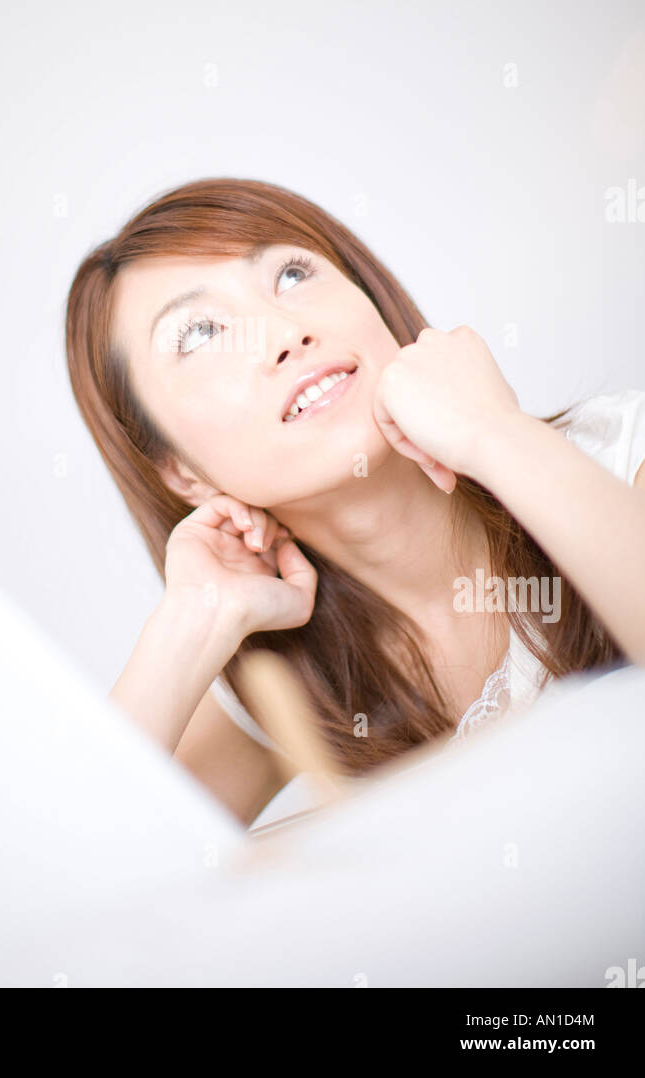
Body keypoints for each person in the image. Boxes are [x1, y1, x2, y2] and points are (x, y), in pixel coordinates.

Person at [64, 177, 645, 827]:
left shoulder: (621, 458)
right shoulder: (277, 676)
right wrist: (190, 623)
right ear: (180, 472)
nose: (284, 332)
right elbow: (72, 881)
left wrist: (495, 432)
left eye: (290, 274)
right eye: (199, 333)